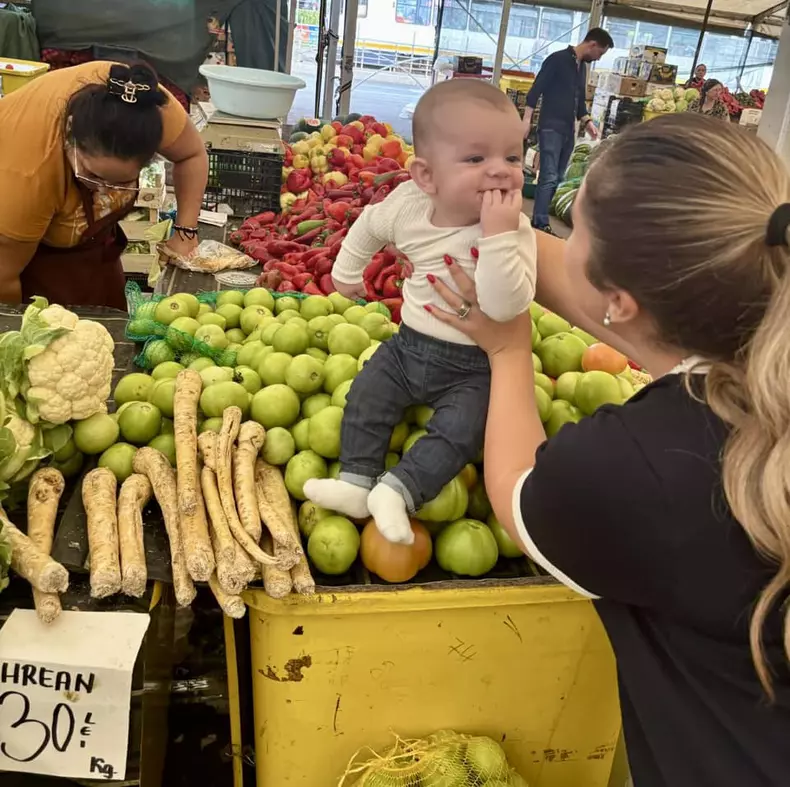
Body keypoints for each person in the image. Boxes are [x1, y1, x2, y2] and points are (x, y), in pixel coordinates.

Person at [425, 113, 790, 786]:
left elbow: (517, 491)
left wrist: (508, 348)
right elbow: (635, 310)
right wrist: (489, 212)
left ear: (620, 300)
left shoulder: (635, 470)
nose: (565, 233)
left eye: (577, 221)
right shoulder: (759, 327)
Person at [305, 79, 536, 544]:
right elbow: (367, 227)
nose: (500, 171)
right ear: (426, 176)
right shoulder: (406, 205)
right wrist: (346, 276)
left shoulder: (515, 231)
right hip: (407, 346)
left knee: (462, 432)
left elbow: (506, 304)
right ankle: (356, 479)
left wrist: (496, 237)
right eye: (476, 159)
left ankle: (400, 490)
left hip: (474, 365)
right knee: (367, 395)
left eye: (512, 158)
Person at [0, 61, 208, 310]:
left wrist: (185, 233)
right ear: (69, 134)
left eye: (120, 183)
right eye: (93, 177)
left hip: (92, 252)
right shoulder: (28, 174)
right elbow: (4, 278)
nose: (104, 192)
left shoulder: (145, 106)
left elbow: (192, 155)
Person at [523, 27, 613, 235]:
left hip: (568, 130)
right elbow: (535, 91)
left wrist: (588, 121)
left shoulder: (582, 68)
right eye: (600, 53)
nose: (598, 58)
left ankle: (539, 217)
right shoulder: (557, 59)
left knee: (559, 176)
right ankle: (540, 222)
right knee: (549, 175)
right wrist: (526, 120)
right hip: (550, 127)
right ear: (592, 45)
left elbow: (579, 102)